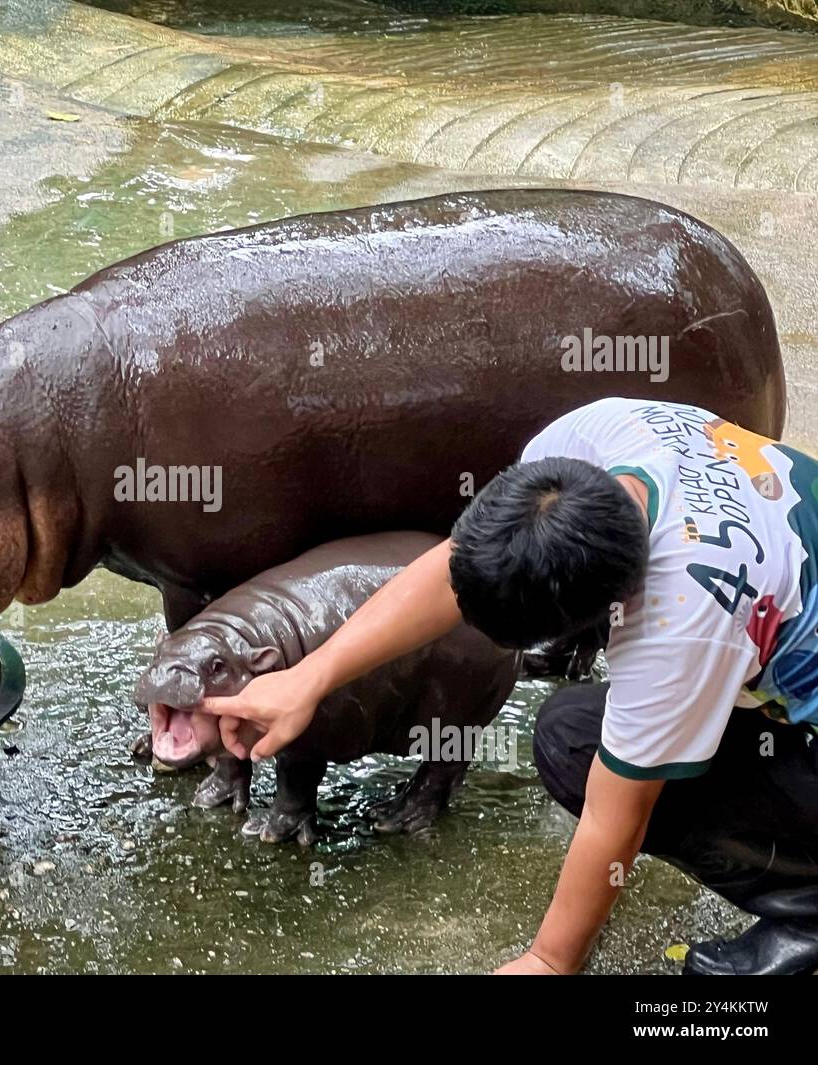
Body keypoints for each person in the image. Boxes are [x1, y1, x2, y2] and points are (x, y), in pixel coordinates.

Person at [201, 397, 818, 975]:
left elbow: (618, 815)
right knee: (584, 729)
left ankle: (808, 906)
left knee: (578, 752)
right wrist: (308, 678)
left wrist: (549, 960)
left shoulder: (680, 628)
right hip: (776, 604)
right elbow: (462, 562)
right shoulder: (590, 440)